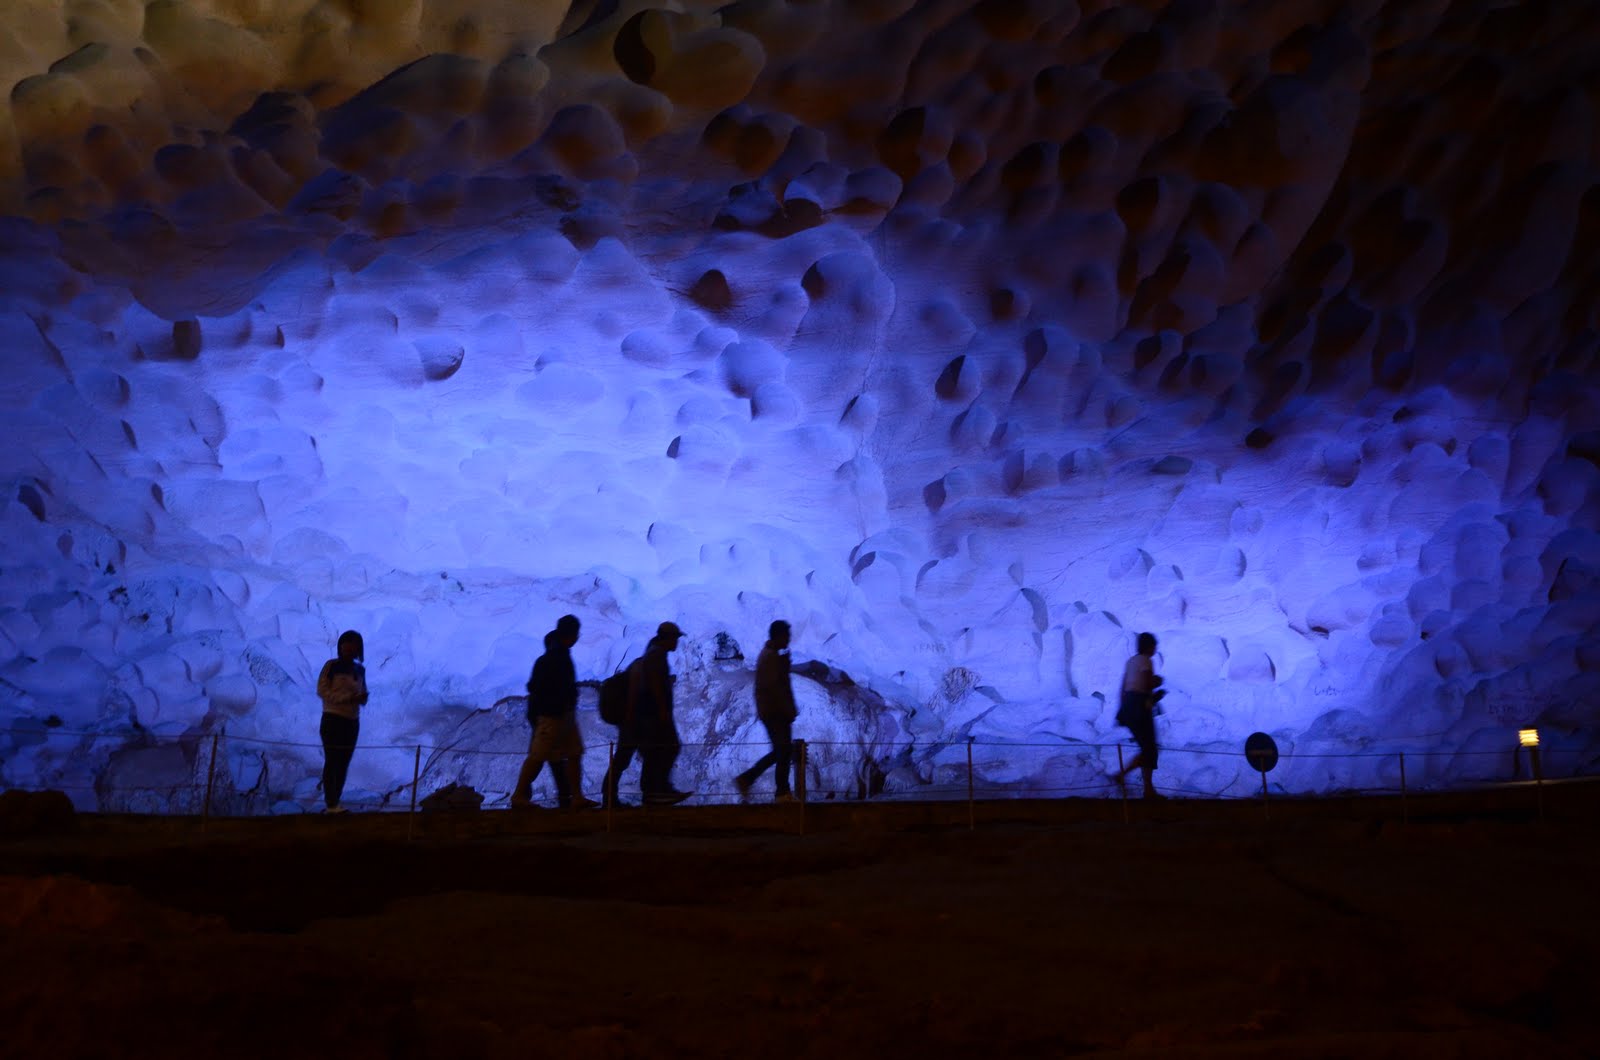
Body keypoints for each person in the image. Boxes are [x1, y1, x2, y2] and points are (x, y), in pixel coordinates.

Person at [512, 615, 597, 810]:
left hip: (562, 714)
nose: (577, 637)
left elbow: (535, 687)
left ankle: (576, 797)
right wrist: (556, 705)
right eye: (576, 633)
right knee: (539, 755)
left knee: (572, 753)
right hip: (553, 716)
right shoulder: (555, 657)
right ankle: (519, 795)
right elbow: (538, 687)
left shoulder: (557, 655)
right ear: (570, 634)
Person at [603, 622, 693, 807]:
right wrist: (662, 712)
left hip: (636, 716)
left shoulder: (651, 653)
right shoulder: (656, 656)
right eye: (675, 638)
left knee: (634, 755)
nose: (676, 642)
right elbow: (654, 686)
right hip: (642, 717)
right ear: (667, 637)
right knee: (664, 749)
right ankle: (655, 792)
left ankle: (648, 793)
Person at [734, 620, 799, 803]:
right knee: (783, 751)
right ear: (778, 636)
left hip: (773, 713)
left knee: (782, 751)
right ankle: (780, 792)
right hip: (776, 714)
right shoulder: (770, 657)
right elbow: (775, 688)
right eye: (786, 635)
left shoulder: (771, 656)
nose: (788, 639)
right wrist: (788, 711)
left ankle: (750, 780)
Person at [316, 630, 368, 814]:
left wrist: (361, 698)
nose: (348, 647)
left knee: (343, 762)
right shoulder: (331, 666)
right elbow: (322, 690)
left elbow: (363, 693)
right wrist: (347, 698)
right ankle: (331, 803)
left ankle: (335, 802)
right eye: (346, 643)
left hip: (352, 722)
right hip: (332, 718)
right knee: (333, 760)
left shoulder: (359, 670)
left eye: (353, 644)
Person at [1114, 631, 1165, 799]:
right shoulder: (1146, 660)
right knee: (1149, 748)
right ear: (1149, 646)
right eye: (1154, 645)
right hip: (1139, 707)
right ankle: (1122, 775)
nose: (1155, 649)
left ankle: (1148, 790)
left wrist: (1122, 710)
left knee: (1148, 748)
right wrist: (1158, 682)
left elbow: (1123, 687)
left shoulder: (1131, 661)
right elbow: (1146, 683)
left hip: (1129, 706)